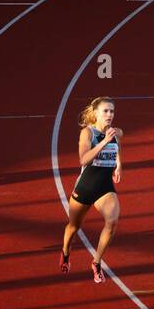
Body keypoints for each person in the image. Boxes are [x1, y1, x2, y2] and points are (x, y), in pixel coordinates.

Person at [60, 97, 121, 283]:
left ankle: (96, 262)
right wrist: (104, 142)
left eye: (112, 111)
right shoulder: (87, 133)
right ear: (96, 113)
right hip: (86, 186)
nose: (109, 114)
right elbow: (83, 159)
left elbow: (118, 144)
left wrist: (119, 165)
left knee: (112, 221)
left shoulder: (115, 132)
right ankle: (65, 253)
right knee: (73, 227)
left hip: (105, 187)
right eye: (105, 111)